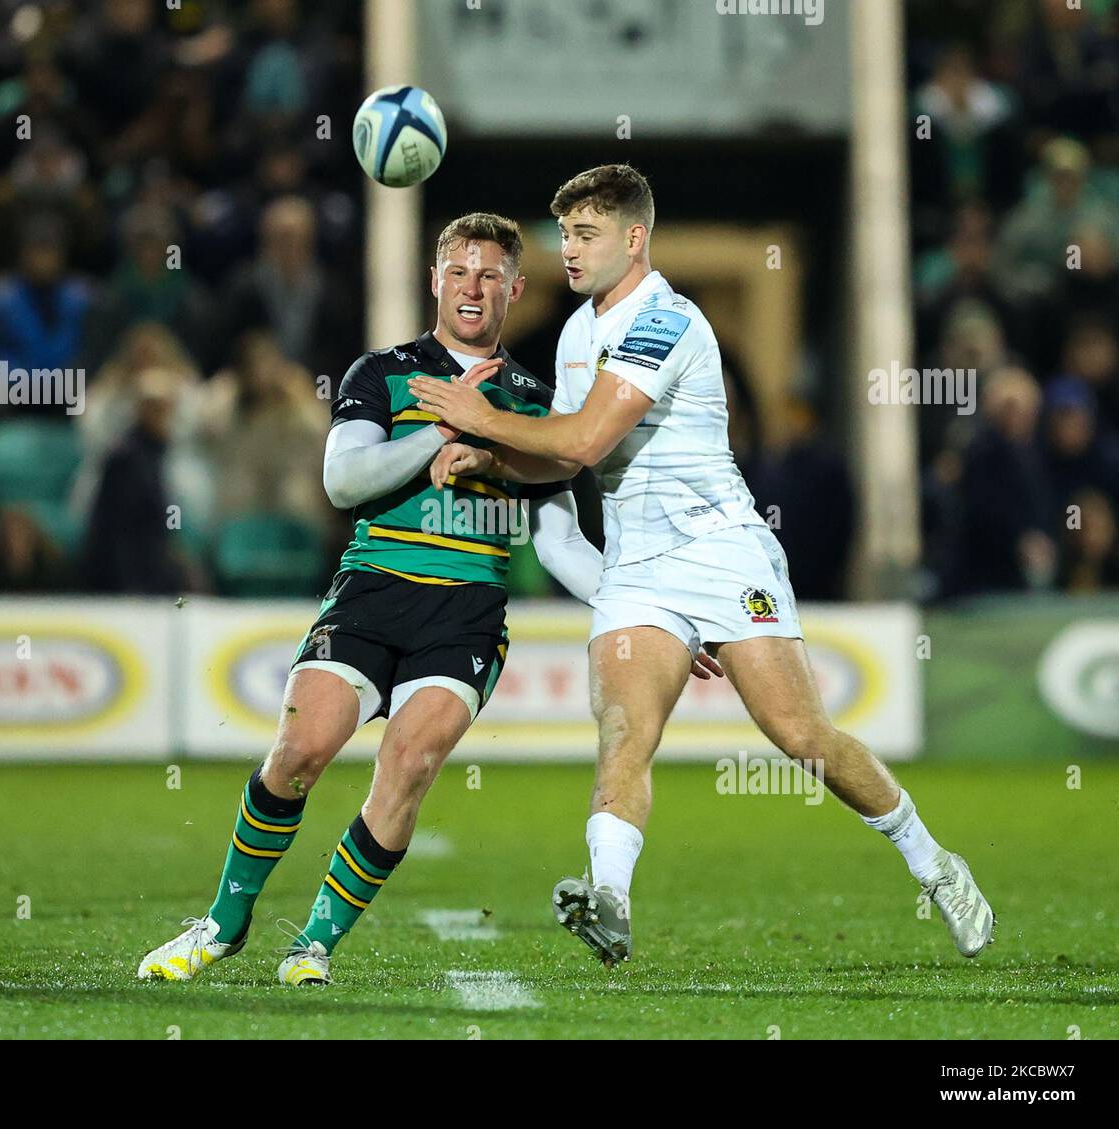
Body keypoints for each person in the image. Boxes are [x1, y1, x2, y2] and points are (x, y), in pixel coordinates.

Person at [411, 166, 995, 965]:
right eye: (565, 236)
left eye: (585, 235)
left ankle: (936, 866)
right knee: (622, 730)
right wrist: (489, 458)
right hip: (637, 568)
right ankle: (610, 898)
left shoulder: (668, 321)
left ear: (634, 238)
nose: (569, 252)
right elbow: (564, 461)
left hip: (721, 551)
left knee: (800, 734)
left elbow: (584, 440)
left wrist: (478, 416)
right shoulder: (580, 331)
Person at [136, 211, 721, 986]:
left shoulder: (535, 406)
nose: (472, 287)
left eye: (489, 275)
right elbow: (343, 481)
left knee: (408, 763)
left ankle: (312, 944)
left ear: (515, 288)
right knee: (300, 751)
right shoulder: (380, 373)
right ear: (434, 280)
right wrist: (436, 437)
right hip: (372, 591)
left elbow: (560, 545)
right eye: (458, 271)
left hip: (466, 612)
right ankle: (223, 921)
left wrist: (651, 609)